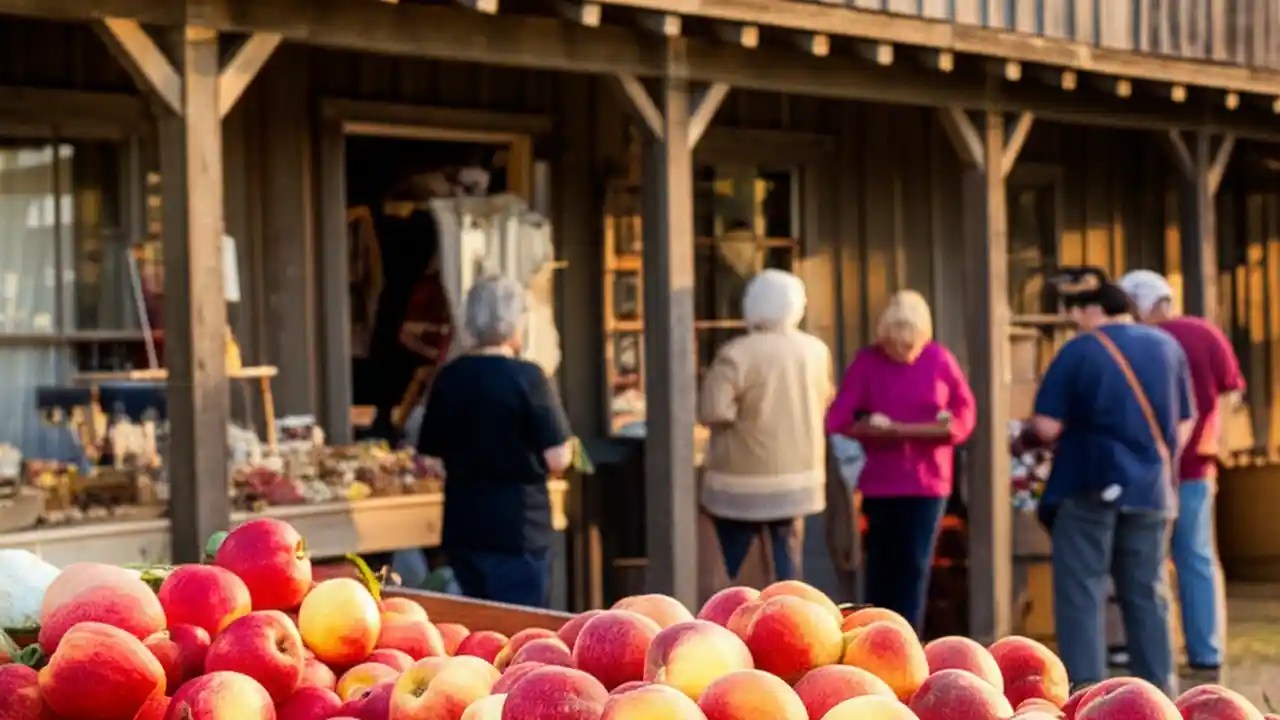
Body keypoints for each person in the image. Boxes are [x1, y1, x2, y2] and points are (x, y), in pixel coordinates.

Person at [1020, 267, 1195, 696]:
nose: (1076, 318)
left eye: (1079, 309)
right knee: (1147, 593)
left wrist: (1026, 439)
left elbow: (1045, 427)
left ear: (1097, 309)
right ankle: (1160, 693)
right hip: (1153, 491)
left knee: (1082, 591)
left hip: (1089, 484)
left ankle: (1086, 692)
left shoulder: (1080, 351)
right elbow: (1186, 421)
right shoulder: (1168, 347)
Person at [1119, 269, 1244, 684]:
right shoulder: (1206, 334)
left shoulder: (1138, 342)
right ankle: (1206, 653)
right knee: (1198, 557)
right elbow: (1232, 394)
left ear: (1138, 303)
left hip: (1147, 470)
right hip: (1198, 466)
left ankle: (1156, 654)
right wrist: (1214, 444)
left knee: (1149, 564)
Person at [825, 289, 976, 632]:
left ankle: (906, 639)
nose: (904, 354)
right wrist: (866, 426)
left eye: (912, 347)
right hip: (881, 483)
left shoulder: (939, 360)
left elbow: (965, 415)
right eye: (896, 347)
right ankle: (872, 635)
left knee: (914, 566)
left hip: (927, 483)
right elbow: (837, 418)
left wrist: (945, 428)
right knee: (879, 567)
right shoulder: (868, 362)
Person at [417, 275, 573, 607]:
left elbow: (428, 458)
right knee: (521, 628)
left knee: (475, 629)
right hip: (519, 526)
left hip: (464, 524)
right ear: (515, 323)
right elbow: (559, 457)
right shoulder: (528, 377)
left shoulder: (450, 377)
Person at [699, 269, 834, 583]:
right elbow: (827, 399)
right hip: (799, 480)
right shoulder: (816, 351)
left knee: (731, 566)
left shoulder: (736, 354)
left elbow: (712, 410)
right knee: (788, 565)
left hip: (739, 483)